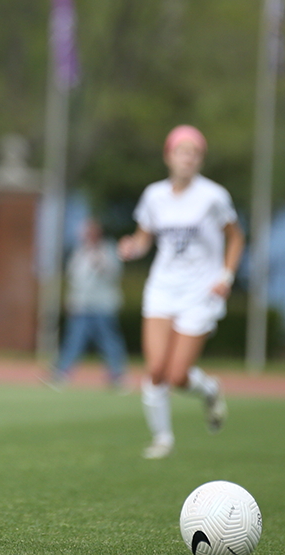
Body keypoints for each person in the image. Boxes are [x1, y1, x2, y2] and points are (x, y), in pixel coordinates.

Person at [117, 125, 245, 459]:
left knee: (177, 375)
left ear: (200, 159)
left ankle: (210, 390)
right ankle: (162, 439)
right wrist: (132, 247)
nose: (187, 158)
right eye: (181, 152)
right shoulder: (154, 196)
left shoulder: (213, 196)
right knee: (156, 369)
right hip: (162, 288)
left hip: (200, 292)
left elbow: (236, 237)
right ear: (168, 156)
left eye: (194, 153)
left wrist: (226, 276)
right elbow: (144, 239)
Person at [48, 218, 128, 390]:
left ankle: (117, 374)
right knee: (73, 340)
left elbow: (114, 273)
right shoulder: (80, 251)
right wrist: (70, 301)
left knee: (109, 341)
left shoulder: (108, 249)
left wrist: (100, 262)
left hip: (103, 305)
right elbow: (74, 278)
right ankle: (62, 372)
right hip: (81, 305)